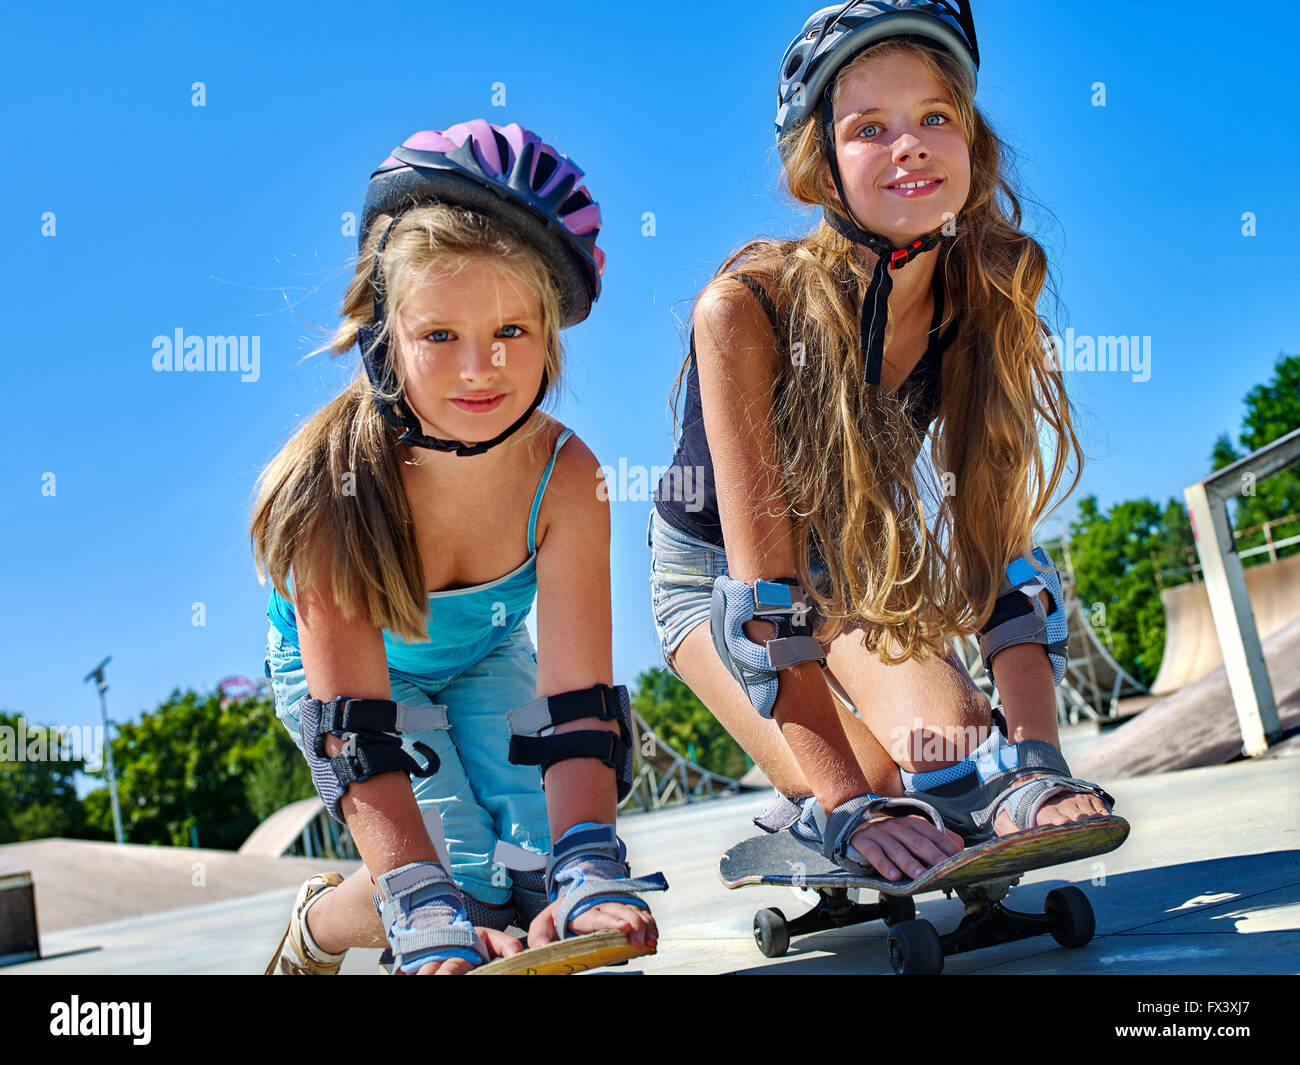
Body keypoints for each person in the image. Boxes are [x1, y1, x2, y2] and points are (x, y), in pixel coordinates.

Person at [649, 0, 1122, 883]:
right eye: (870, 127)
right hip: (718, 577)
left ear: (971, 145)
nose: (909, 144)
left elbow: (998, 550)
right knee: (867, 777)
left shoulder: (987, 288)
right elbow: (762, 607)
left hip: (842, 560)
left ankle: (874, 757)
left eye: (935, 118)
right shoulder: (747, 309)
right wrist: (850, 806)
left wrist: (1036, 765)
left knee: (950, 747)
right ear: (819, 170)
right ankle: (803, 795)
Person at [251, 120, 665, 975]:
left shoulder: (568, 476)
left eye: (512, 331)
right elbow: (355, 736)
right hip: (357, 685)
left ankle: (505, 885)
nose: (481, 368)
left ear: (552, 334)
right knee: (460, 886)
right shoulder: (337, 488)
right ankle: (319, 924)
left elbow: (577, 702)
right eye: (440, 335)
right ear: (383, 336)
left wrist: (588, 862)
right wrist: (417, 895)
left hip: (483, 654)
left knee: (540, 871)